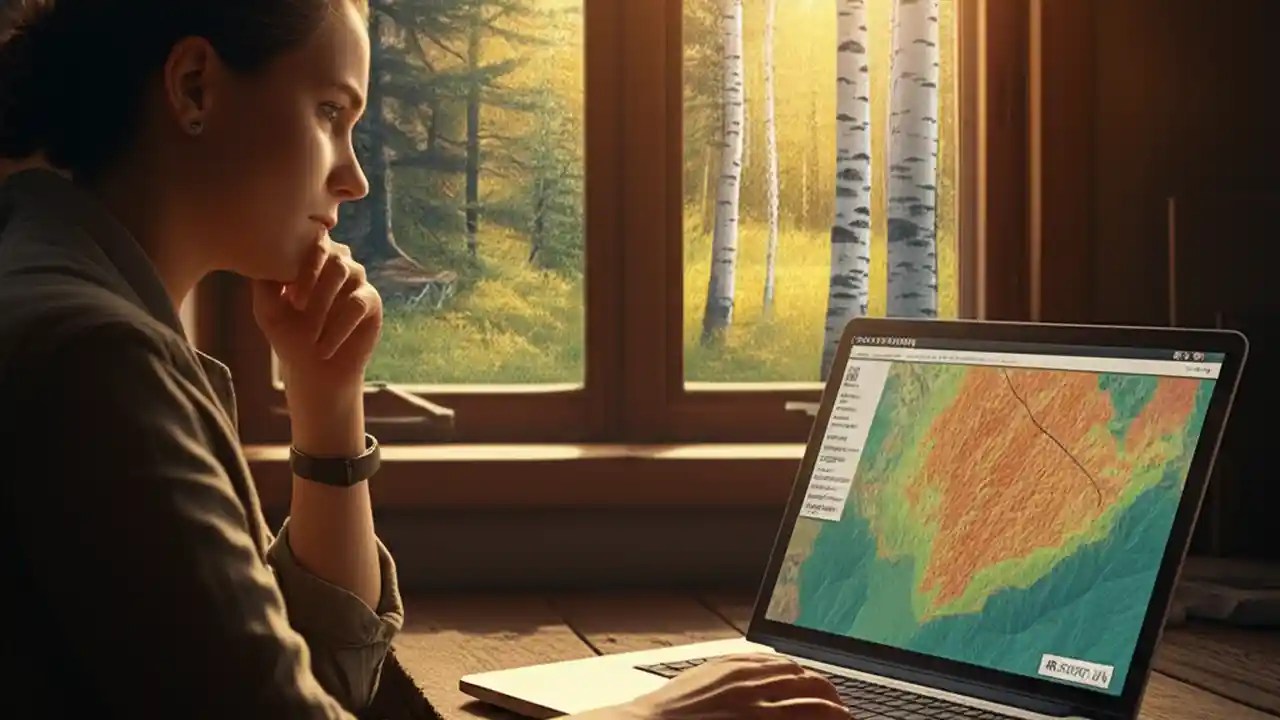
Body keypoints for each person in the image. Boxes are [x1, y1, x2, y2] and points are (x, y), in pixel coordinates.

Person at [0, 1, 850, 718]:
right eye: (331, 114)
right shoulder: (96, 358)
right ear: (194, 88)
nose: (354, 179)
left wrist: (327, 397)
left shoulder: (72, 289)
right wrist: (646, 715)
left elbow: (328, 674)